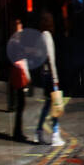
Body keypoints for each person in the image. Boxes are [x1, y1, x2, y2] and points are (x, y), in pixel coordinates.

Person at [35, 11, 64, 146]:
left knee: (48, 105)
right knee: (55, 105)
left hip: (44, 75)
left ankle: (39, 130)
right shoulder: (47, 36)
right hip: (50, 75)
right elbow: (50, 59)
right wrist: (55, 78)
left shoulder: (41, 36)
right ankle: (55, 135)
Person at [8, 18, 30, 142]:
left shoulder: (15, 40)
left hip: (18, 72)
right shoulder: (15, 42)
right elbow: (18, 58)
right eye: (19, 25)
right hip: (18, 73)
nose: (21, 27)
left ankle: (18, 131)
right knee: (21, 104)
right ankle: (17, 133)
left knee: (21, 104)